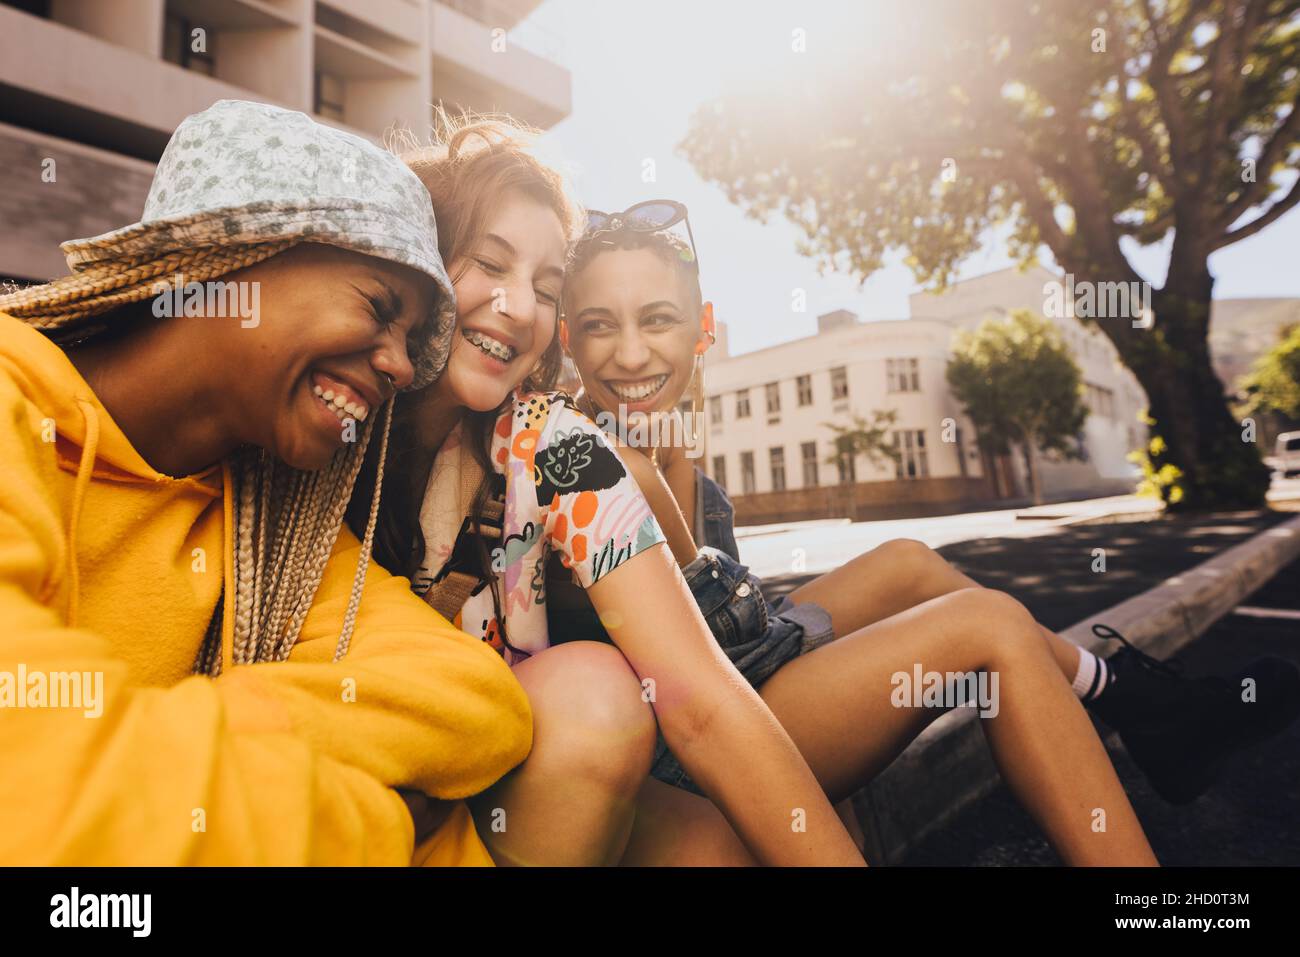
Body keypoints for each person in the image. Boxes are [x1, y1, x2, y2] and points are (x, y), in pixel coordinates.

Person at [353, 125, 1159, 866]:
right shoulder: (334, 426)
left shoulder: (558, 447)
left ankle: (1142, 726)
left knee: (749, 817)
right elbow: (715, 655)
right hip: (548, 743)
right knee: (970, 624)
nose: (519, 304)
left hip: (622, 730)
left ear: (701, 331)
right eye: (490, 266)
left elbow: (708, 685)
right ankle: (1140, 699)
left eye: (544, 282)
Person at [557, 201, 1300, 833]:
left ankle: (1143, 702)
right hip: (686, 739)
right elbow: (714, 661)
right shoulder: (590, 462)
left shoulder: (673, 454)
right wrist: (658, 476)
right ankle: (1151, 738)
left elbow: (739, 629)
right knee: (990, 626)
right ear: (568, 341)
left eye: (658, 319)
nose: (629, 354)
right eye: (598, 326)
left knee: (909, 562)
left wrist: (677, 465)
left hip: (743, 666)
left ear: (703, 328)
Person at [0, 99, 532, 866]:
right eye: (381, 309)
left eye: (410, 340)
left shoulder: (275, 523)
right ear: (238, 257)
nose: (403, 364)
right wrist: (373, 820)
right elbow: (42, 791)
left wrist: (192, 736)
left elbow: (478, 702)